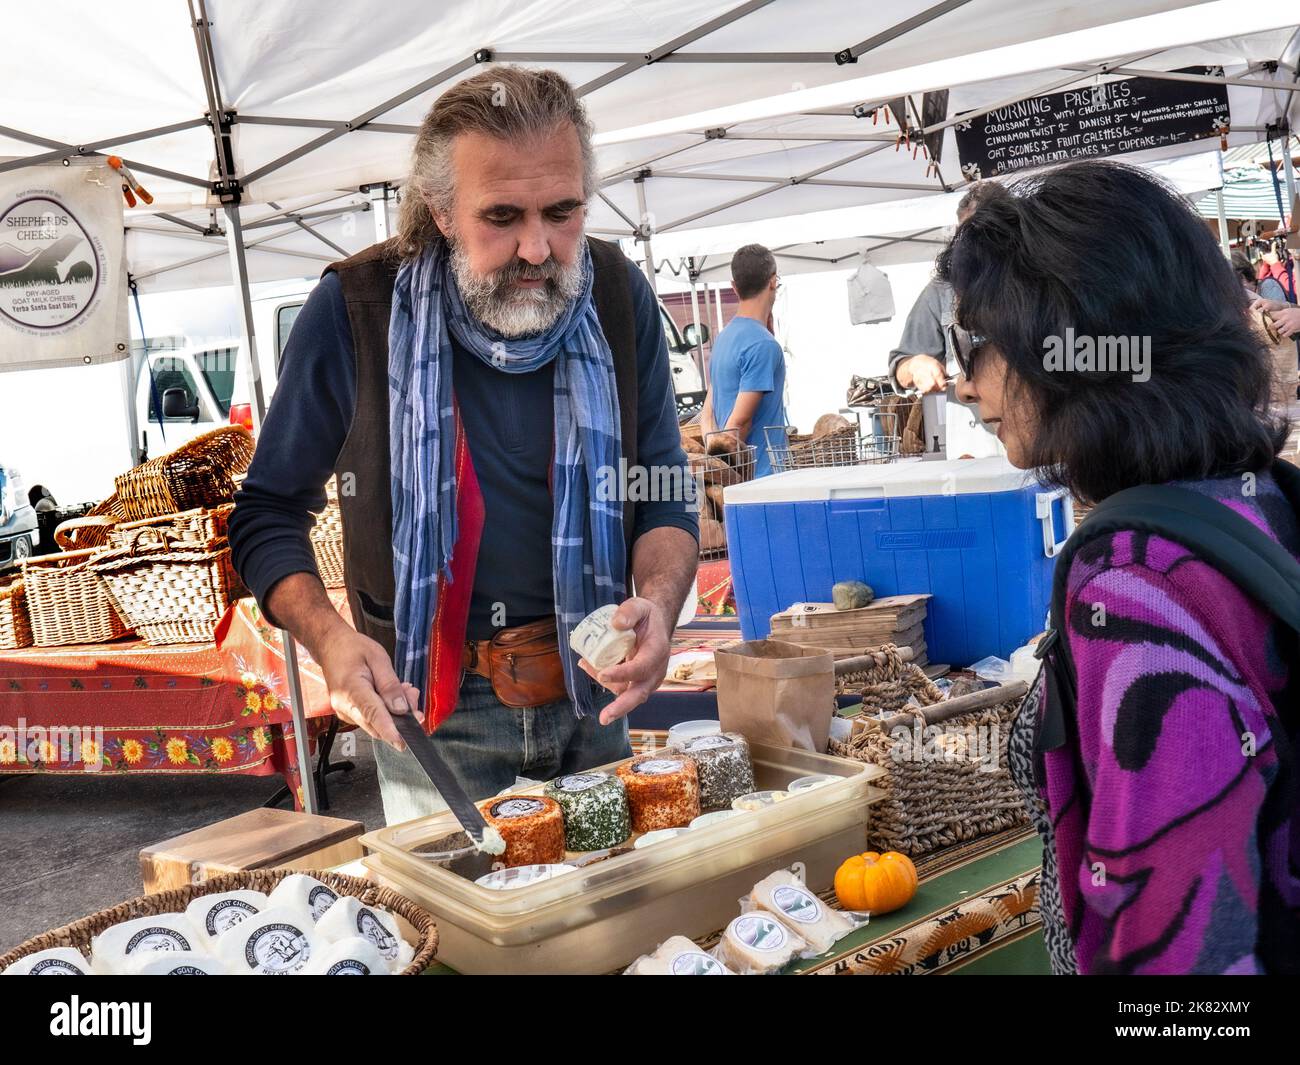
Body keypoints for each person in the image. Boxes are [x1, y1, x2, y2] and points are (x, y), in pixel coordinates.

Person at [228, 67, 699, 823]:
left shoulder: (616, 292)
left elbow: (664, 486)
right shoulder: (356, 311)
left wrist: (661, 604)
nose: (538, 247)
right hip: (433, 711)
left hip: (594, 690)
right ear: (441, 211)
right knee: (463, 937)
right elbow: (266, 514)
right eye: (503, 216)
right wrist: (331, 639)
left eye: (562, 211)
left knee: (606, 933)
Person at [942, 159, 1299, 974]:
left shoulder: (1133, 584)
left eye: (982, 342)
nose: (966, 383)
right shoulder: (1258, 500)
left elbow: (1179, 942)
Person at [887, 181, 1008, 395]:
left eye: (988, 233)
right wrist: (916, 366)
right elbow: (900, 367)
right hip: (969, 425)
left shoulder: (1041, 281)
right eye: (967, 235)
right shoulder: (941, 291)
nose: (975, 245)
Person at [699, 244, 788, 477]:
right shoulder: (763, 345)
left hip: (738, 482)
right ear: (772, 281)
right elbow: (738, 425)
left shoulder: (723, 339)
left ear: (734, 287)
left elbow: (707, 414)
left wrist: (718, 470)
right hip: (763, 479)